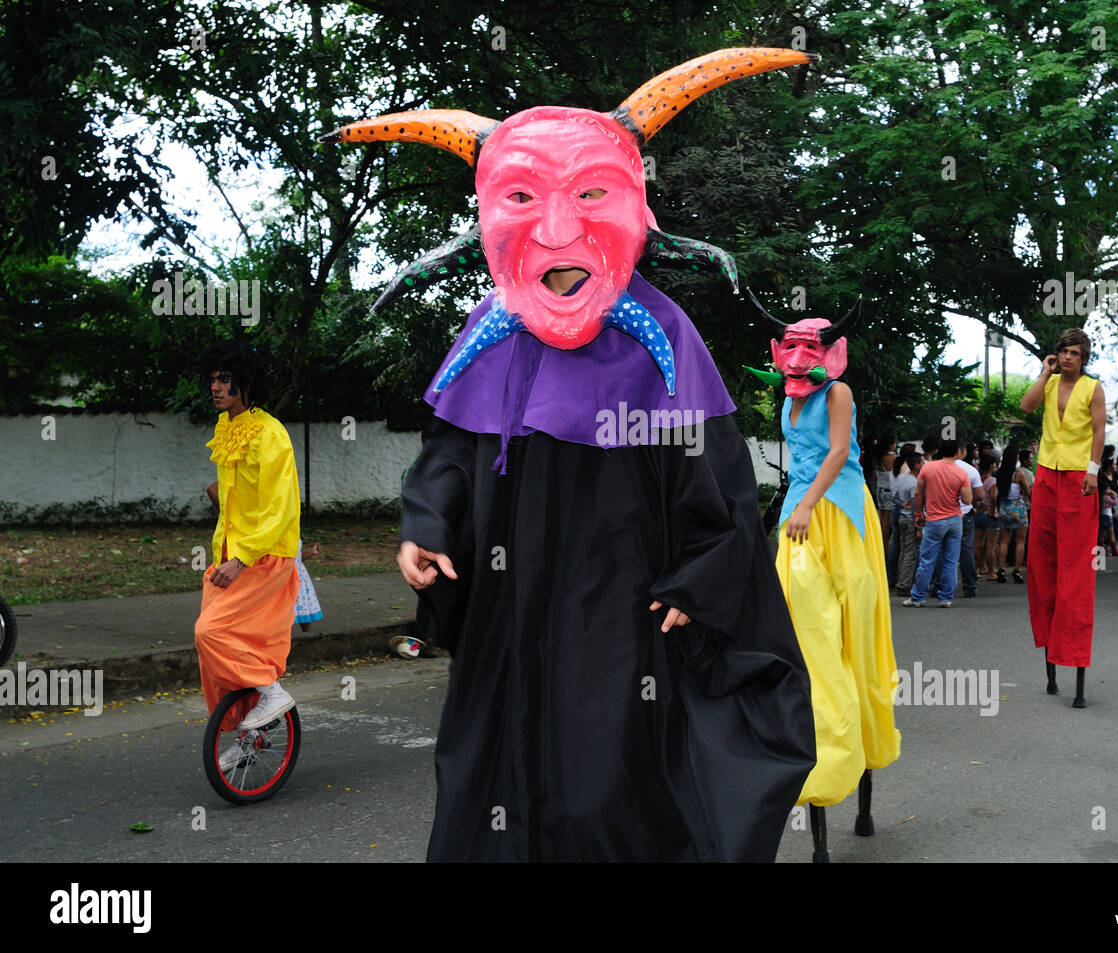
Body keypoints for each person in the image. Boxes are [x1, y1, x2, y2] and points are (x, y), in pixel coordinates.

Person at [329, 48, 818, 862]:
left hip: (621, 622)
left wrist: (701, 583)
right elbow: (450, 449)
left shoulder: (666, 341)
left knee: (605, 795)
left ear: (638, 212)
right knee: (487, 789)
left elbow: (720, 493)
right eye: (521, 198)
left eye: (591, 194)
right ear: (489, 219)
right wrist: (427, 525)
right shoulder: (485, 339)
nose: (558, 229)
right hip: (505, 615)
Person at [756, 297, 901, 862]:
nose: (796, 358)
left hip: (839, 515)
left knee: (854, 645)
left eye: (808, 348)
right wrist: (790, 508)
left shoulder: (837, 393)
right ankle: (818, 754)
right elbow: (798, 462)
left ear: (829, 354)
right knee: (806, 642)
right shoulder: (788, 398)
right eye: (788, 347)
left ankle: (857, 771)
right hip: (800, 519)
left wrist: (807, 506)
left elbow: (838, 453)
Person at [193, 340, 301, 769]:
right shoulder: (226, 427)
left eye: (224, 379)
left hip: (262, 557)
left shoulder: (270, 433)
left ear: (245, 383)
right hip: (228, 556)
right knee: (218, 652)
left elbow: (282, 506)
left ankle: (270, 691)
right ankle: (247, 734)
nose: (215, 387)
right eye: (213, 379)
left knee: (211, 633)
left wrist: (243, 557)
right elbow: (236, 498)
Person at [1019, 329, 1106, 707]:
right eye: (1062, 352)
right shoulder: (1051, 383)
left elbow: (1100, 431)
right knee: (1041, 565)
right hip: (1046, 476)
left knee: (1075, 570)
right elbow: (1025, 407)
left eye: (1074, 353)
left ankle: (1075, 662)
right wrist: (1043, 373)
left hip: (1077, 478)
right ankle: (1050, 656)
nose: (1067, 357)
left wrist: (1093, 470)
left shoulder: (1093, 388)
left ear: (1083, 358)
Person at [903, 439, 972, 608]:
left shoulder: (928, 468)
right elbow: (967, 499)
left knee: (927, 559)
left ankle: (918, 597)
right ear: (957, 452)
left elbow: (918, 493)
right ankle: (946, 597)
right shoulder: (961, 473)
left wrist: (918, 514)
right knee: (951, 560)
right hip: (955, 520)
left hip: (934, 520)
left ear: (941, 449)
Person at [993, 449, 1031, 583]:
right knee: (1020, 541)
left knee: (1004, 541)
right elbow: (1027, 491)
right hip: (1018, 508)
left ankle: (1001, 570)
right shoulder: (1018, 474)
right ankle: (1017, 570)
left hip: (1004, 508)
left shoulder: (999, 474)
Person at [955, 443, 984, 597]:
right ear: (962, 451)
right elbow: (980, 495)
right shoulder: (970, 470)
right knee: (966, 550)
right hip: (965, 514)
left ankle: (938, 585)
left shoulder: (934, 467)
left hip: (939, 515)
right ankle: (970, 586)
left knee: (942, 550)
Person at [892, 450, 921, 593]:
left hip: (901, 517)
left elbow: (895, 497)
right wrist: (918, 518)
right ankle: (904, 583)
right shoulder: (914, 483)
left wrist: (901, 504)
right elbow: (916, 503)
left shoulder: (902, 478)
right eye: (921, 462)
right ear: (916, 465)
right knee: (910, 553)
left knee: (903, 551)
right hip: (910, 519)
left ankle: (900, 579)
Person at [974, 455, 999, 579]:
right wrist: (993, 510)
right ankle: (991, 572)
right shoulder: (992, 481)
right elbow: (993, 497)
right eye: (994, 464)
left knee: (977, 545)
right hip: (989, 513)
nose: (995, 466)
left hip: (977, 512)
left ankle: (975, 570)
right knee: (991, 546)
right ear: (990, 466)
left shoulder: (977, 479)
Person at [293, 541, 323, 631]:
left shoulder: (293, 529)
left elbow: (296, 557)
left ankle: (307, 637)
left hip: (299, 575)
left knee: (303, 608)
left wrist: (312, 553)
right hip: (283, 575)